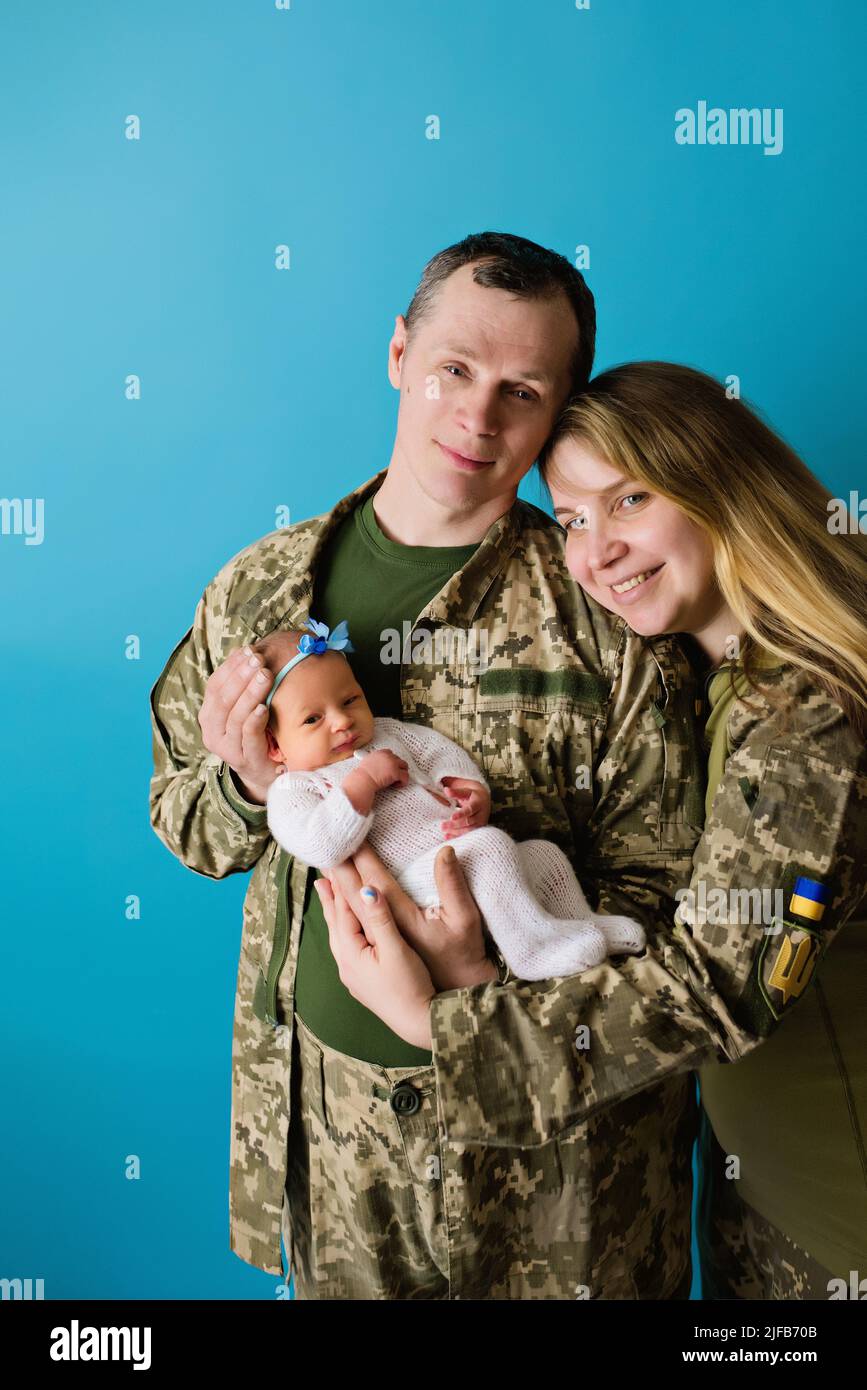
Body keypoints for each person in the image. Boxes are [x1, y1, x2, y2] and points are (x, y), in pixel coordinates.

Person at [149, 232, 704, 1299]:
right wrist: (243, 786)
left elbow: (674, 914)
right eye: (455, 368)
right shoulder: (263, 589)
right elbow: (183, 817)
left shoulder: (610, 608)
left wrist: (481, 976)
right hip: (337, 1154)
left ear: (558, 418)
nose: (479, 415)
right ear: (400, 352)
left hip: (554, 1181)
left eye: (523, 390)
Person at [321, 360, 867, 1300]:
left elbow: (715, 990)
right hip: (753, 1191)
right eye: (571, 518)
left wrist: (441, 1023)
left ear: (722, 484)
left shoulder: (804, 713)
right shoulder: (704, 678)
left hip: (836, 1221)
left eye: (630, 500)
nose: (593, 552)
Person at [257, 619, 645, 980]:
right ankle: (530, 950)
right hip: (408, 881)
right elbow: (320, 844)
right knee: (490, 846)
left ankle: (578, 923)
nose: (341, 722)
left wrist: (466, 786)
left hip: (457, 849)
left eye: (350, 700)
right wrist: (364, 782)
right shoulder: (295, 789)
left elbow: (437, 752)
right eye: (312, 720)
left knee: (543, 854)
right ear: (275, 746)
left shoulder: (388, 733)